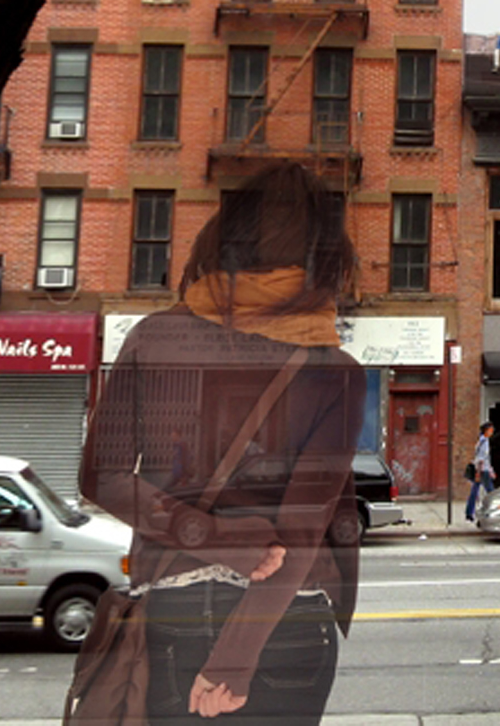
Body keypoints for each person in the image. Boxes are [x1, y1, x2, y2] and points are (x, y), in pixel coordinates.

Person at [76, 162, 365, 726]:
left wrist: (210, 536)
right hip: (290, 622)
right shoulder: (337, 370)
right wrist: (235, 659)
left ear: (222, 237)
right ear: (326, 254)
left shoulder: (154, 338)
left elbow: (101, 478)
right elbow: (302, 531)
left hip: (174, 612)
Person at [466, 422, 497, 521]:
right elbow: (481, 459)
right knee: (491, 493)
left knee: (474, 492)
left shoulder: (481, 440)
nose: (492, 432)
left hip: (481, 470)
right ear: (486, 431)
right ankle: (492, 512)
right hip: (483, 471)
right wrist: (479, 473)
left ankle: (469, 513)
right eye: (490, 430)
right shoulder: (485, 442)